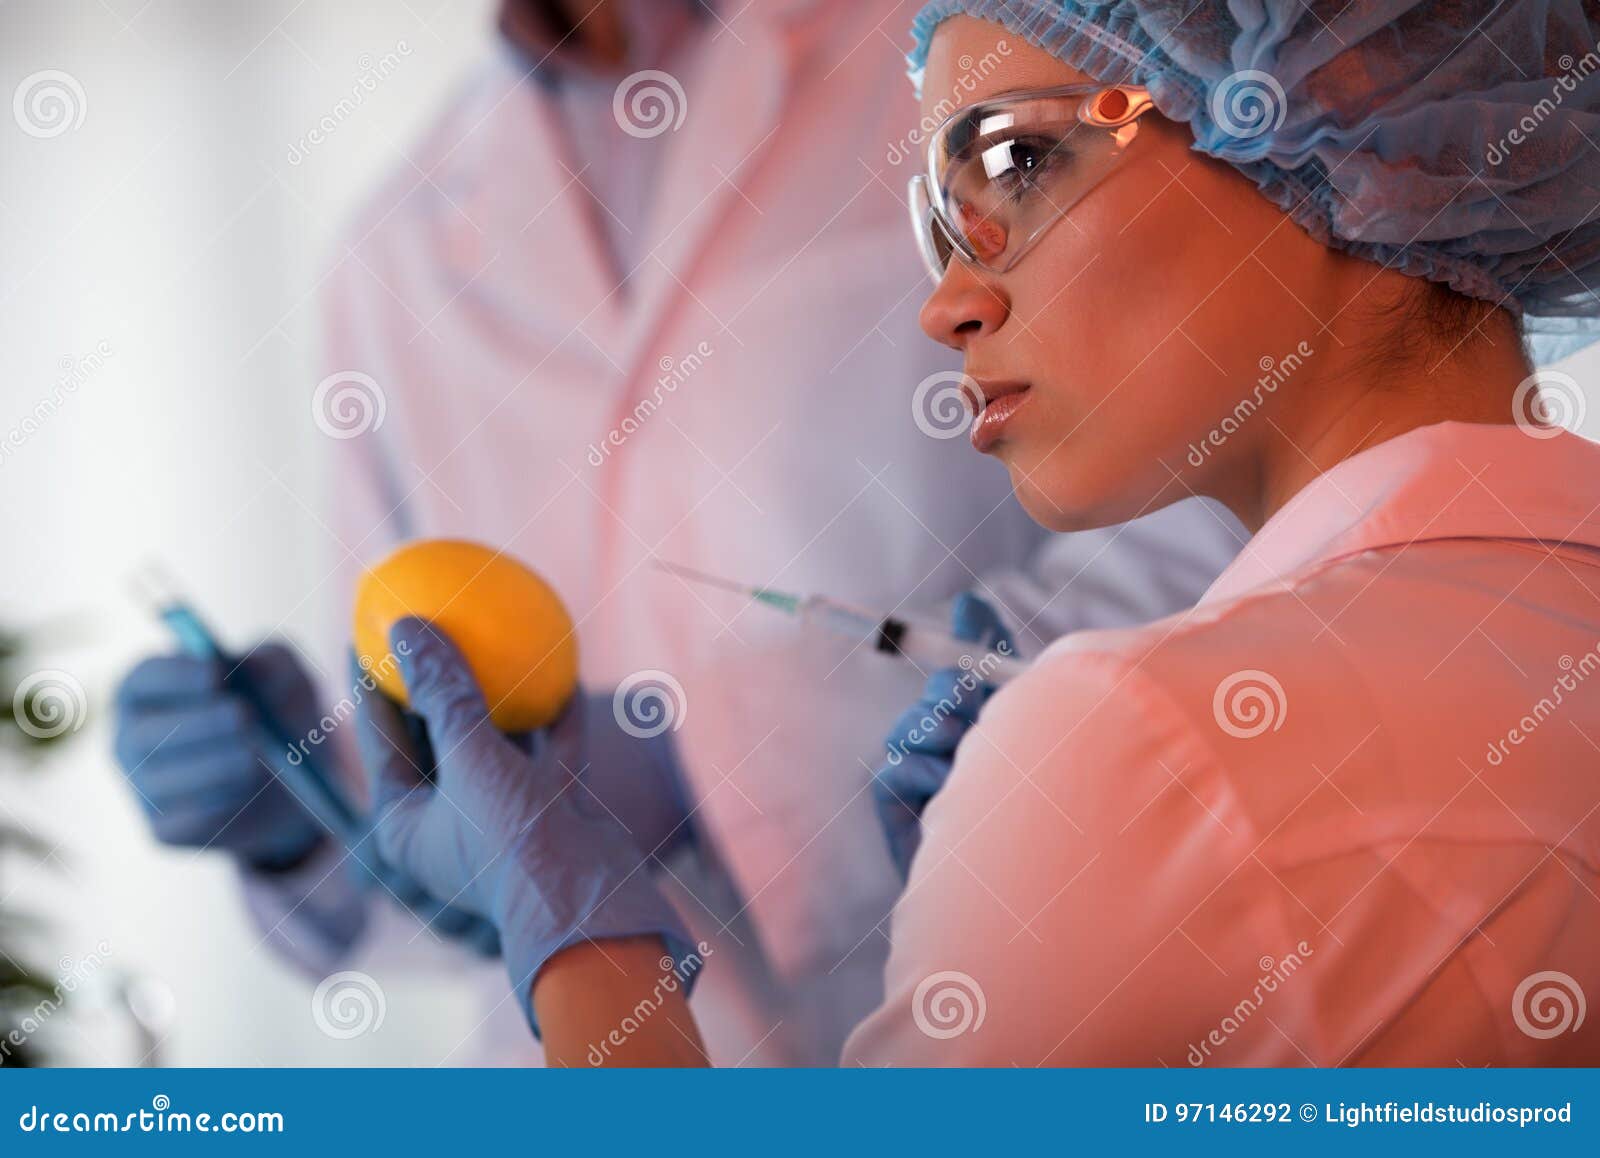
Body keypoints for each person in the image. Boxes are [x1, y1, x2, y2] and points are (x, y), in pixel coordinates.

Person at [351, 0, 1600, 1066]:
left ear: (1338, 97)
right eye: (935, 221)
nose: (945, 303)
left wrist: (583, 950)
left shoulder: (1138, 737)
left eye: (1017, 165)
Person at [109, 0, 1242, 1065]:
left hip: (1004, 1007)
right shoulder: (394, 245)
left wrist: (721, 759)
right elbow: (441, 848)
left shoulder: (974, 63)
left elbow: (1233, 530)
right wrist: (309, 817)